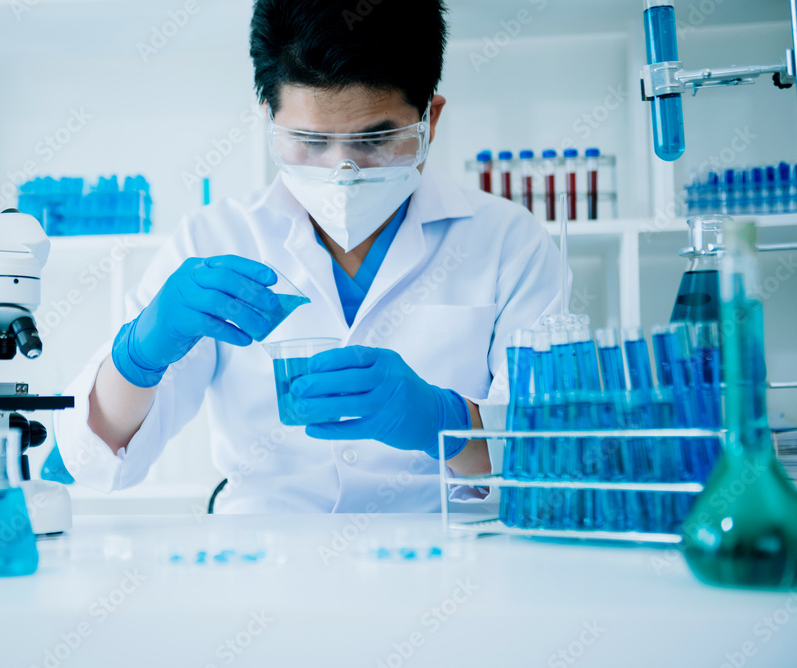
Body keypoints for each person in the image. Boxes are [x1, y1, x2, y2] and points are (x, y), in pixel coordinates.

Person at [55, 0, 565, 513]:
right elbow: (95, 459)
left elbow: (560, 463)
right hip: (263, 563)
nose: (341, 169)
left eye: (376, 139)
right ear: (270, 121)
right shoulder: (213, 237)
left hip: (450, 557)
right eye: (309, 140)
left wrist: (447, 423)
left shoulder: (508, 243)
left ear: (429, 119)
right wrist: (141, 352)